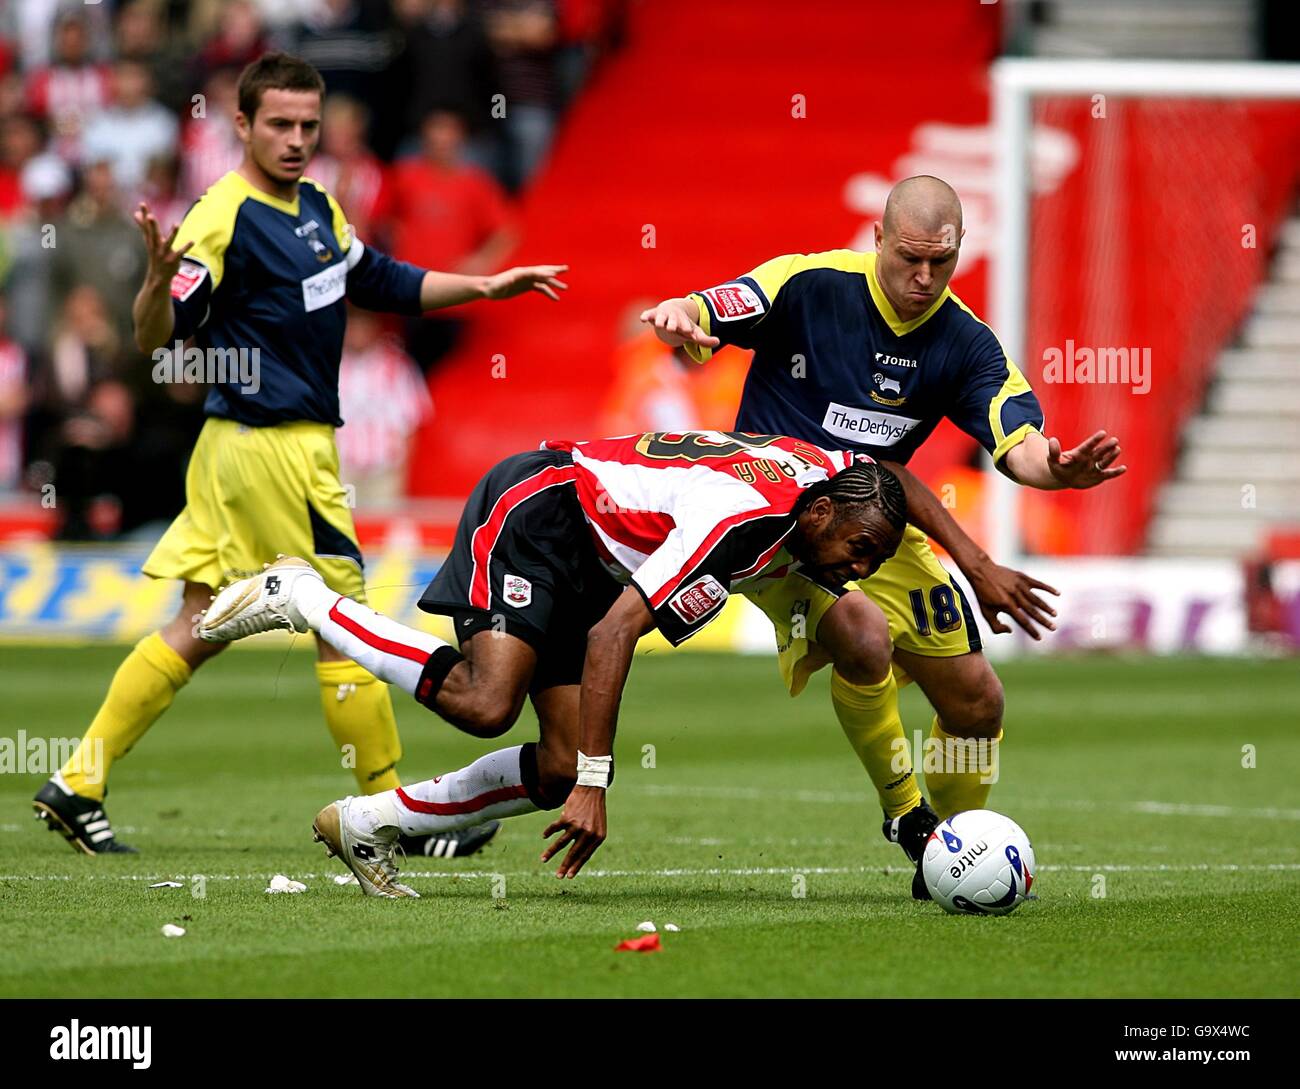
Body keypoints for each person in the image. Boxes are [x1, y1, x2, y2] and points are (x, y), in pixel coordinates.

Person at [32, 52, 568, 856]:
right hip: (272, 453)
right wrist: (152, 285)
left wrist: (484, 286)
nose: (295, 139)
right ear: (241, 124)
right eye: (278, 124)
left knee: (198, 622)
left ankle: (76, 780)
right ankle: (392, 812)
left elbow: (380, 279)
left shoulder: (316, 204)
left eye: (308, 126)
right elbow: (160, 334)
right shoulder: (225, 213)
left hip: (243, 450)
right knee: (342, 625)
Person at [639, 175, 1125, 897]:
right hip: (778, 525)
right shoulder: (811, 283)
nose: (923, 278)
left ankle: (952, 854)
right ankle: (909, 820)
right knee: (863, 636)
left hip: (880, 524)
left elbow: (1017, 441)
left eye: (941, 262)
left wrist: (1056, 470)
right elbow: (717, 304)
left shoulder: (966, 344)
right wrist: (682, 314)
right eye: (908, 258)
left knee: (977, 701)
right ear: (877, 240)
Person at [200, 431, 937, 895]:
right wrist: (598, 782)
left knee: (554, 764)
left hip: (601, 559)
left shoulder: (839, 480)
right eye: (858, 549)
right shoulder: (736, 524)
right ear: (816, 516)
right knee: (488, 703)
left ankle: (368, 823)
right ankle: (298, 593)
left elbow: (880, 470)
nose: (861, 568)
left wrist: (967, 558)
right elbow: (613, 636)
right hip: (543, 511)